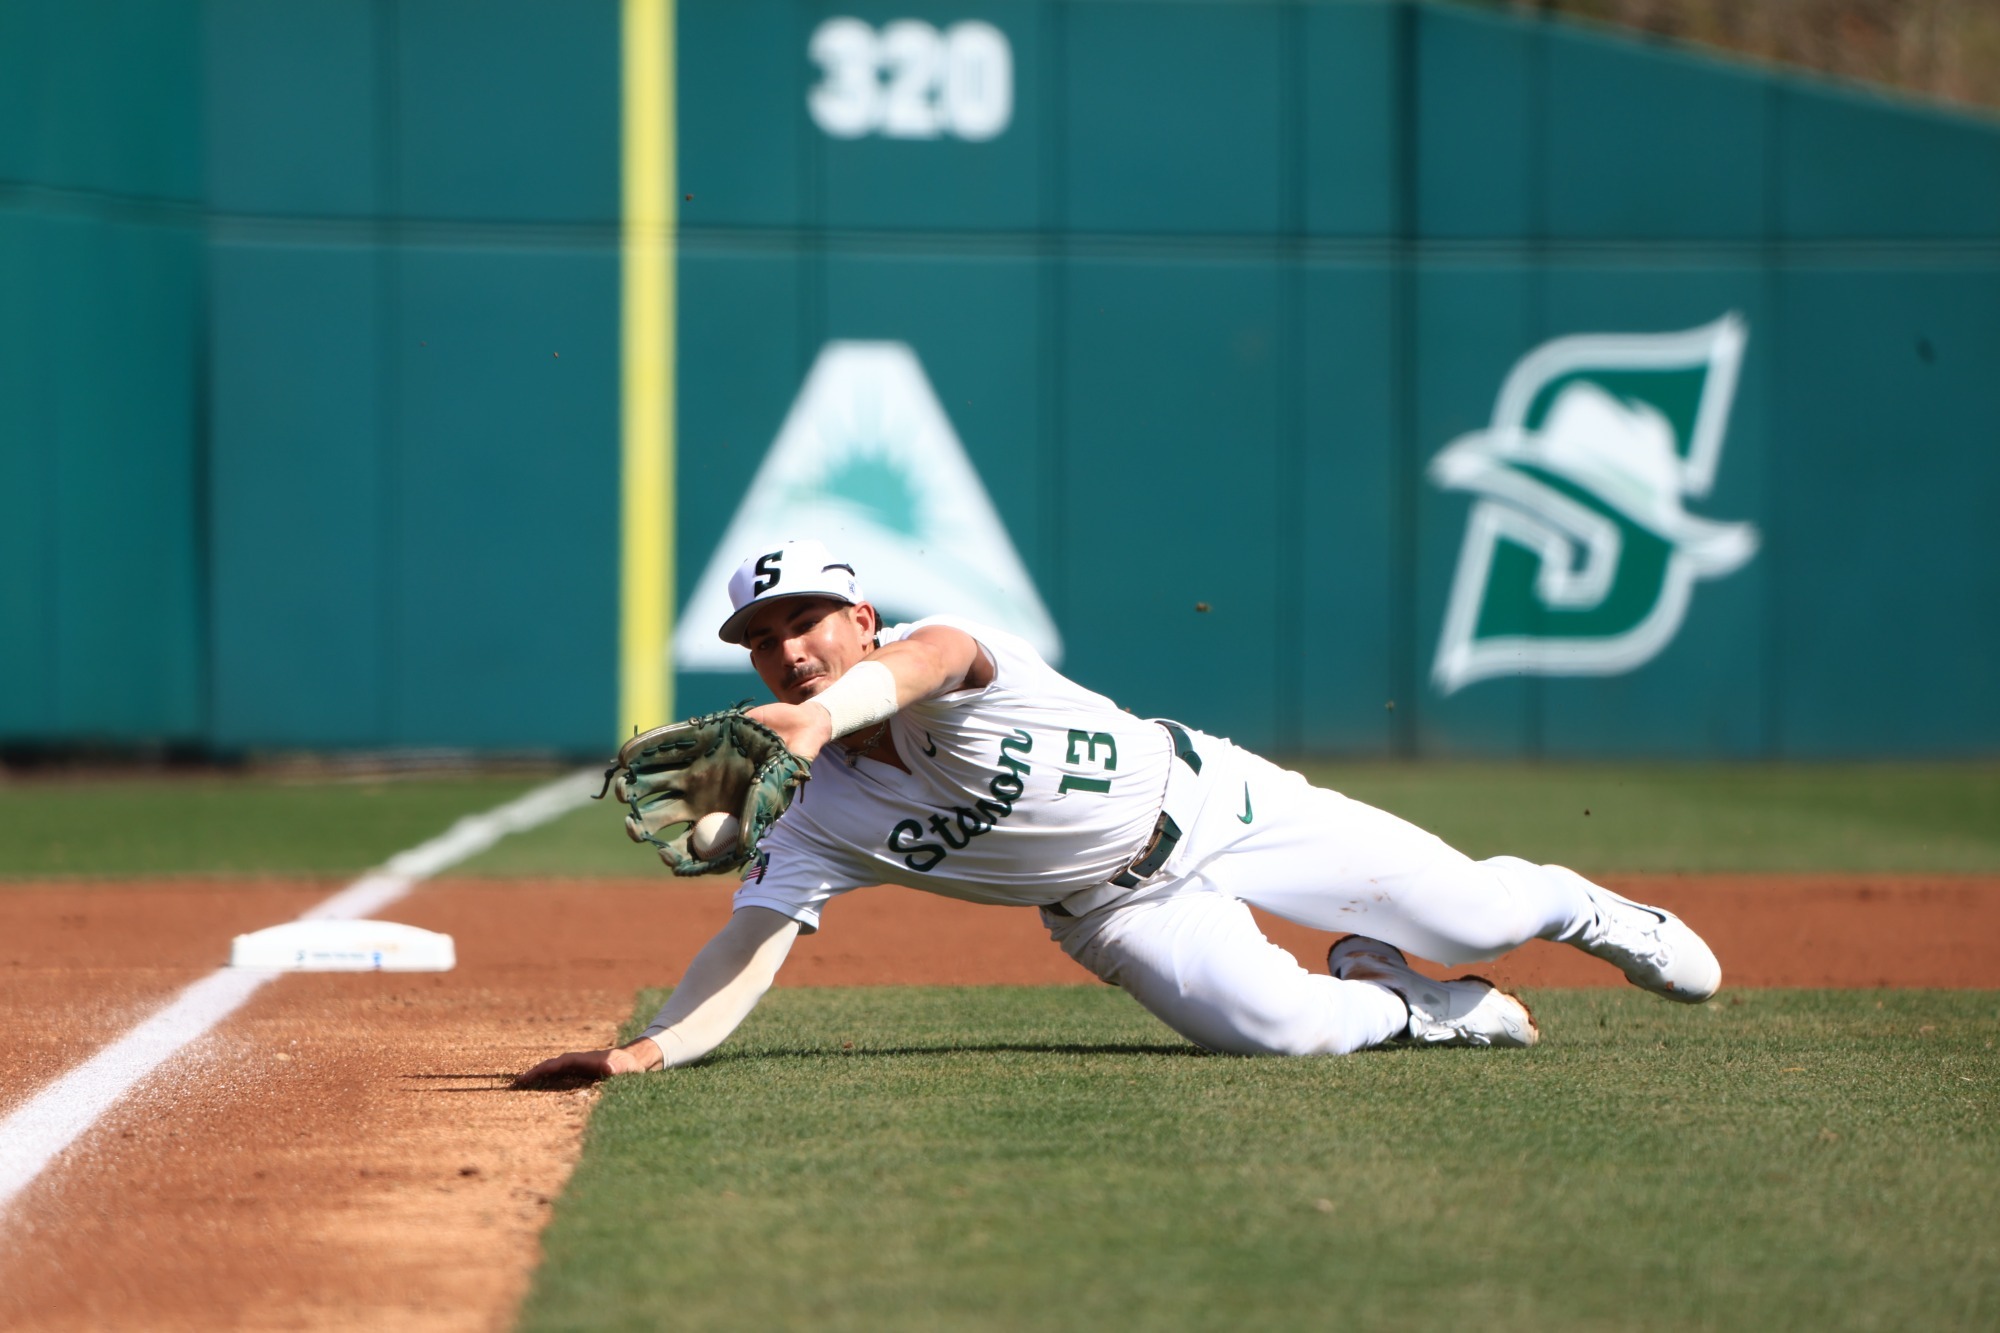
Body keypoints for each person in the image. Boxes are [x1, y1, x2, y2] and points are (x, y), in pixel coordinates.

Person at [516, 539, 1720, 1086]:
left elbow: (931, 662)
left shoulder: (943, 653)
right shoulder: (810, 808)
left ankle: (1582, 904)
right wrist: (647, 1049)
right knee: (1280, 1030)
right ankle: (1414, 1007)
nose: (786, 649)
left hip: (1219, 802)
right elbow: (747, 945)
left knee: (1471, 910)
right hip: (1106, 909)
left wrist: (823, 719)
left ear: (860, 618)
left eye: (807, 620)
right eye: (761, 640)